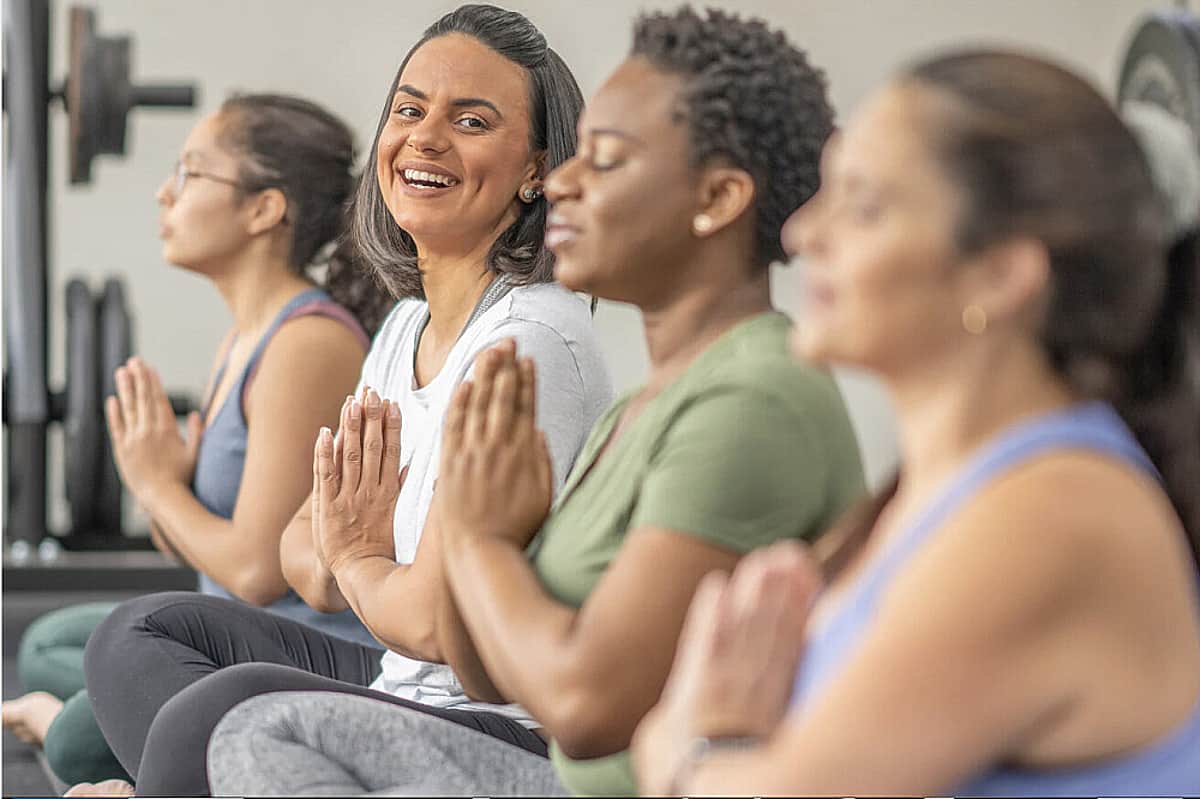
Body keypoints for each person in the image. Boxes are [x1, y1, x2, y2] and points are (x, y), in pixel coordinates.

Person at [204, 8, 865, 796]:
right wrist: (463, 559)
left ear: (718, 198)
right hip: (533, 748)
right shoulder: (642, 408)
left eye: (607, 161)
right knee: (226, 707)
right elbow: (485, 660)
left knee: (255, 728)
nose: (564, 184)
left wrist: (463, 547)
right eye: (409, 110)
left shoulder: (753, 401)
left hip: (553, 768)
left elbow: (579, 702)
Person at [631, 51, 1200, 796]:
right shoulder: (923, 497)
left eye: (863, 205)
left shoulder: (1051, 517)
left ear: (1000, 275)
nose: (804, 232)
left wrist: (690, 742)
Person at [79, 5, 613, 796]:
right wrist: (356, 566)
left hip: (502, 725)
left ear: (537, 169)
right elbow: (307, 554)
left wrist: (358, 558)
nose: (426, 137)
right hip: (396, 676)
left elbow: (430, 618)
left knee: (209, 715)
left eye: (470, 119)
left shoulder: (530, 342)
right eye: (409, 109)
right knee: (135, 634)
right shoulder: (403, 326)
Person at [1, 92, 388, 789]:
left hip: (301, 654)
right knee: (49, 640)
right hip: (223, 631)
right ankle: (96, 711)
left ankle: (82, 722)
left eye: (189, 173)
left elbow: (256, 571)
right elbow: (188, 544)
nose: (164, 192)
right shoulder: (242, 337)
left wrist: (157, 485)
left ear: (264, 208)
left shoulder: (308, 343)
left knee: (74, 739)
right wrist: (164, 489)